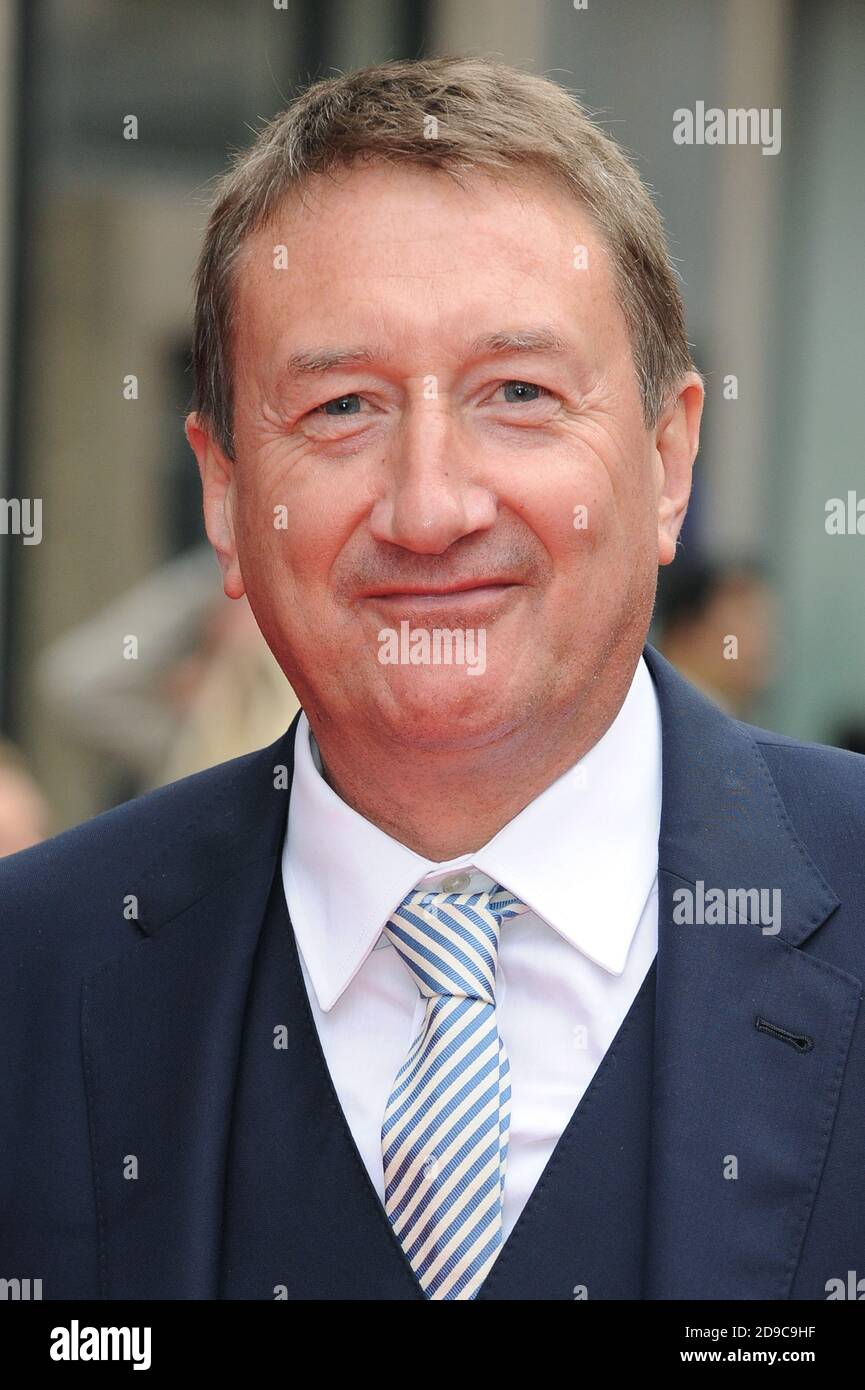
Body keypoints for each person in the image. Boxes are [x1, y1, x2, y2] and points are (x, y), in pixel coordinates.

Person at [2, 56, 864, 1302]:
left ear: (669, 462)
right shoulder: (29, 981)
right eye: (343, 406)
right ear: (229, 494)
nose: (429, 506)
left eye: (517, 393)